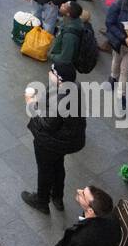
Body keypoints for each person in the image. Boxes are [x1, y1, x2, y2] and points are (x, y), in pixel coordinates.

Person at [22, 66, 86, 214]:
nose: (49, 73)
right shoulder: (74, 87)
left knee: (45, 169)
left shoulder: (61, 99)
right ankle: (57, 197)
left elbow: (47, 124)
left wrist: (31, 103)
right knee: (57, 164)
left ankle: (41, 201)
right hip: (69, 140)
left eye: (52, 71)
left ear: (60, 78)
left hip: (52, 142)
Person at [35, 185, 120, 246]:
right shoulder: (113, 220)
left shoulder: (81, 240)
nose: (78, 190)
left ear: (91, 211)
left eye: (83, 194)